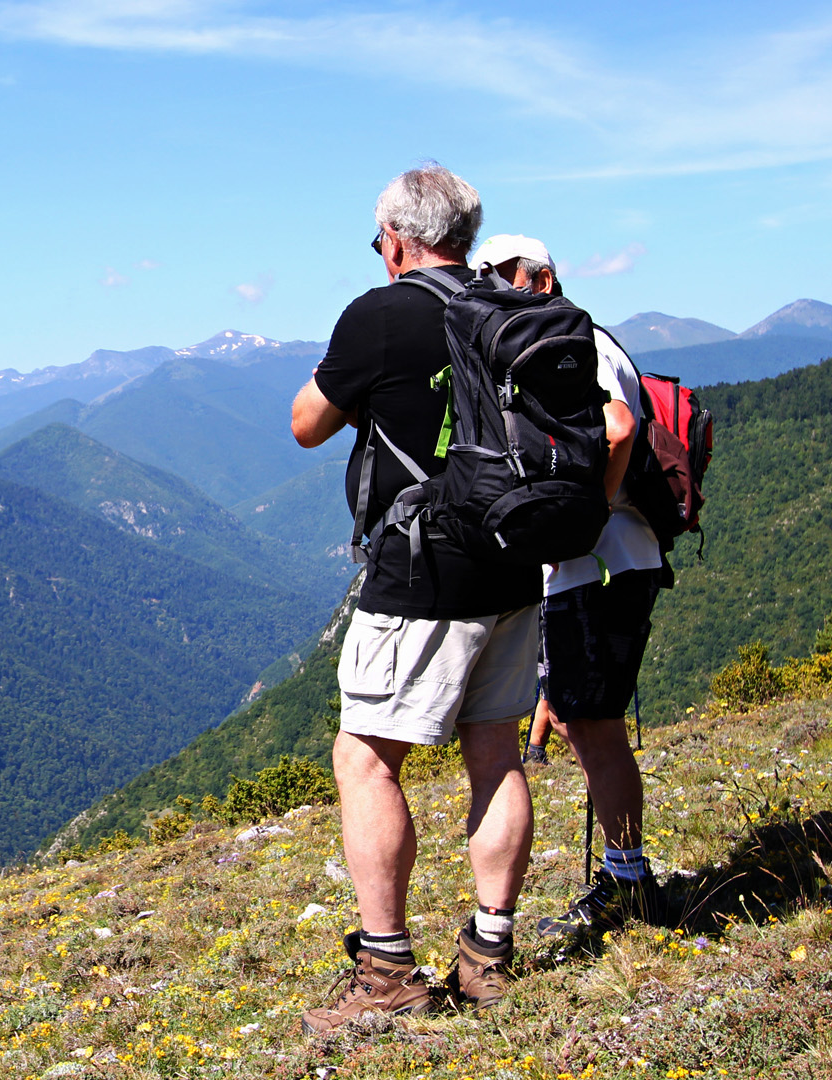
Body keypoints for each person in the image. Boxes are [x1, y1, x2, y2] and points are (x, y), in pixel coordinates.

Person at [291, 166, 541, 1026]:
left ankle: (388, 973)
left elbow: (306, 424)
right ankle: (488, 950)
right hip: (516, 558)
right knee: (495, 752)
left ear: (397, 238)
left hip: (423, 567)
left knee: (365, 758)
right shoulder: (516, 304)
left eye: (378, 242)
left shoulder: (383, 313)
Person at [469, 234, 667, 934]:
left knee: (595, 729)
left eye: (507, 275)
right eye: (486, 277)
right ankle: (626, 877)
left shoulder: (579, 342)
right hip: (605, 564)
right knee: (590, 724)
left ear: (544, 277)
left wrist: (589, 520)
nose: (498, 287)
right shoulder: (558, 340)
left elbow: (617, 429)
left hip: (601, 566)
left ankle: (630, 884)